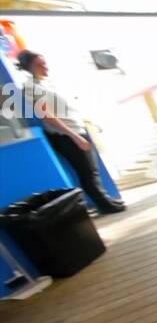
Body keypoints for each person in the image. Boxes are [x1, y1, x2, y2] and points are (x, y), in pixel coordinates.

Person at [16, 50, 125, 214]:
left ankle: (105, 201)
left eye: (44, 62)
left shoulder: (46, 83)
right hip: (66, 135)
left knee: (92, 170)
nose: (45, 66)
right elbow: (47, 115)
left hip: (77, 129)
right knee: (87, 172)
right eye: (40, 64)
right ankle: (104, 205)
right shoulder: (31, 87)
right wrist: (73, 136)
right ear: (29, 67)